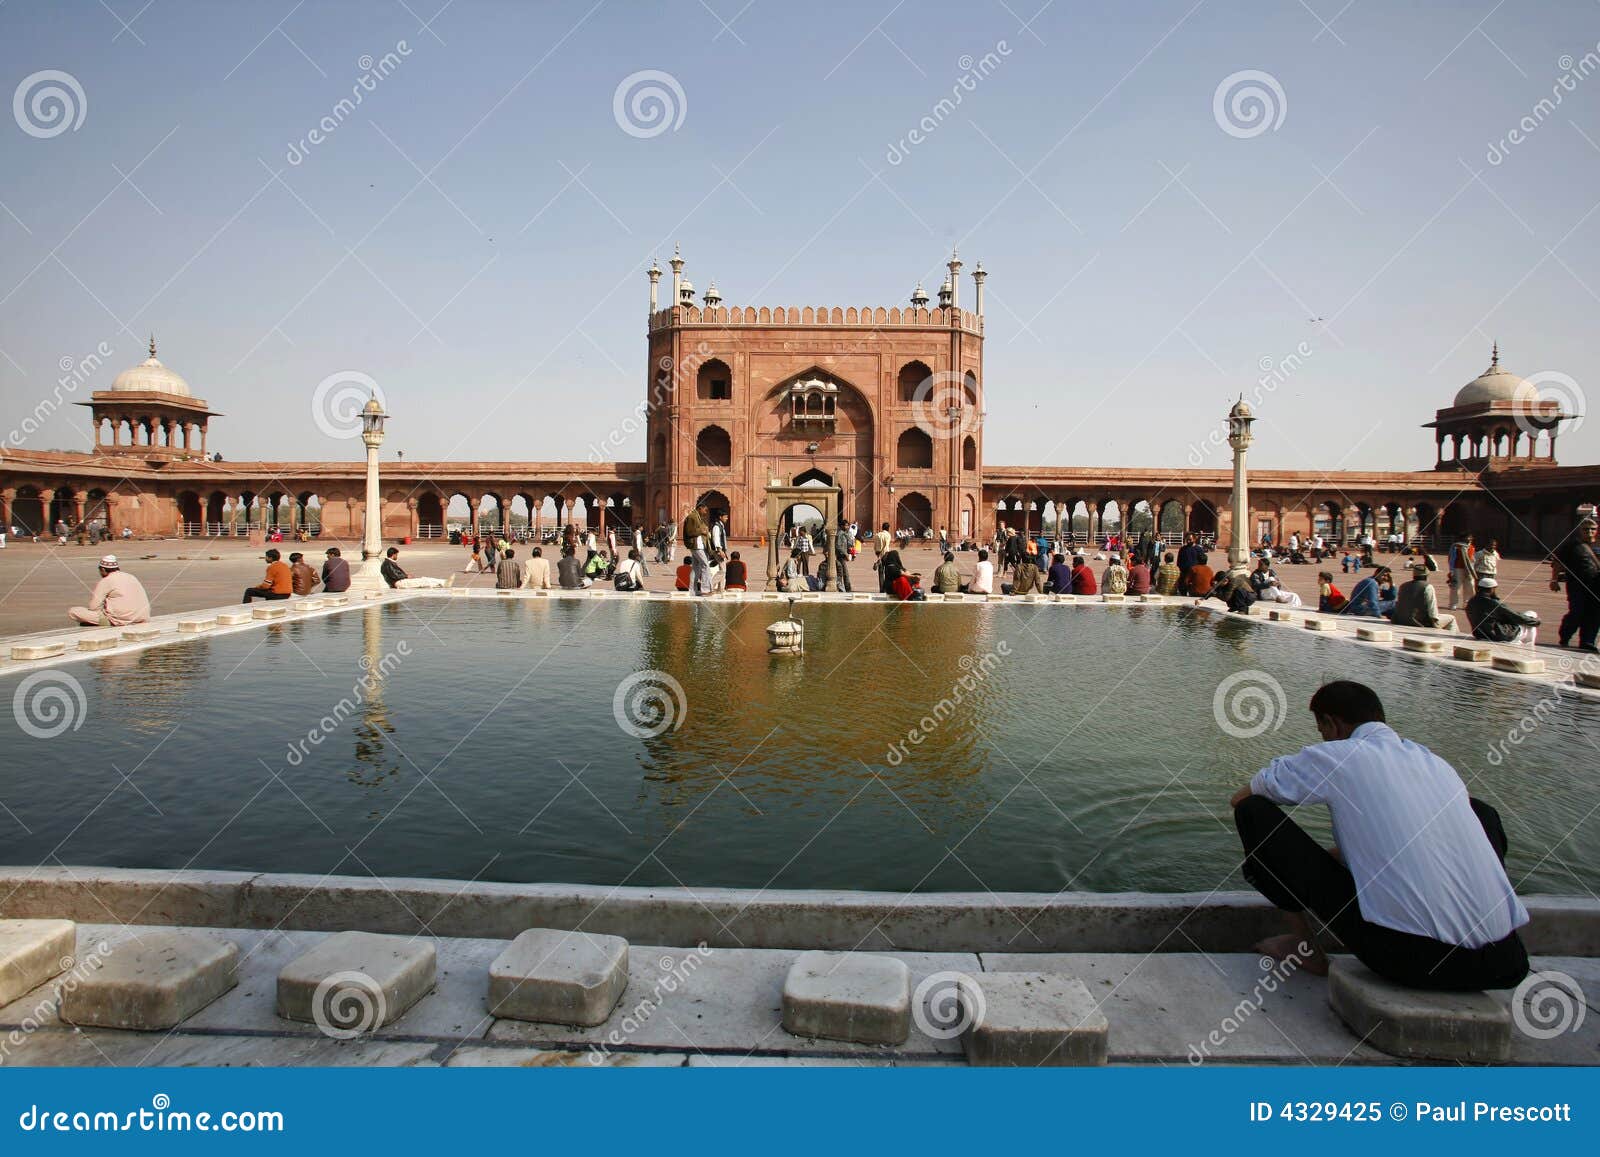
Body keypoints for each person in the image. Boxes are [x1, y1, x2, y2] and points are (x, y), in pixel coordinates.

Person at [1231, 680, 1529, 990]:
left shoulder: (1338, 755)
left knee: (1254, 813)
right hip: (1507, 962)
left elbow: (1242, 798)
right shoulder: (1435, 764)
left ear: (1331, 723)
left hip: (1413, 962)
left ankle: (1304, 948)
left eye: (1321, 730)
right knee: (1480, 812)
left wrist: (1305, 863)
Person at [1552, 518, 1600, 651]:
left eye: (1593, 529)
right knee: (1577, 612)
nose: (1589, 532)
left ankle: (1587, 641)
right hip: (1577, 586)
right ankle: (1565, 635)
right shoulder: (1571, 546)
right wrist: (1554, 580)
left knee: (1595, 614)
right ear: (1580, 530)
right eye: (1586, 529)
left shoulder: (1598, 544)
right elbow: (1557, 562)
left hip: (1596, 586)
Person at [69, 555, 150, 626]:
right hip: (142, 616)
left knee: (74, 612)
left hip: (120, 620)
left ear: (103, 570)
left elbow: (93, 607)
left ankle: (104, 623)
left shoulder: (107, 580)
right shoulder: (131, 576)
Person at [1466, 577, 1539, 645]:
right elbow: (1516, 616)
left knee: (1527, 620)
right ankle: (1530, 645)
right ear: (1492, 589)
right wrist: (1536, 622)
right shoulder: (1493, 603)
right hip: (1499, 636)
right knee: (1531, 614)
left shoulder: (1471, 602)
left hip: (1480, 635)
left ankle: (1528, 642)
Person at [381, 546, 446, 588]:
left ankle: (442, 582)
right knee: (422, 581)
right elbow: (394, 575)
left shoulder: (388, 562)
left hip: (400, 581)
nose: (397, 556)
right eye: (396, 555)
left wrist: (406, 576)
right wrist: (406, 576)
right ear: (393, 555)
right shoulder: (388, 564)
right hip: (399, 583)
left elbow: (394, 574)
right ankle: (443, 582)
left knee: (422, 580)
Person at [683, 503, 712, 596]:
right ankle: (705, 589)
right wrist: (702, 531)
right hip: (696, 545)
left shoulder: (698, 517)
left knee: (696, 568)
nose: (706, 512)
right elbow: (689, 532)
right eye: (705, 510)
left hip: (698, 545)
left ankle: (693, 590)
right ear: (700, 508)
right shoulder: (692, 517)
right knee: (705, 565)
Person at [1447, 532, 1475, 609]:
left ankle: (1466, 604)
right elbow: (1451, 558)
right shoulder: (1456, 547)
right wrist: (1451, 570)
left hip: (1468, 570)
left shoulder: (1471, 547)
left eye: (1471, 538)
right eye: (1468, 537)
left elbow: (1472, 559)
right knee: (1456, 586)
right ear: (1463, 538)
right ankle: (1453, 604)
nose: (1470, 539)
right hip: (1457, 568)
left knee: (1469, 586)